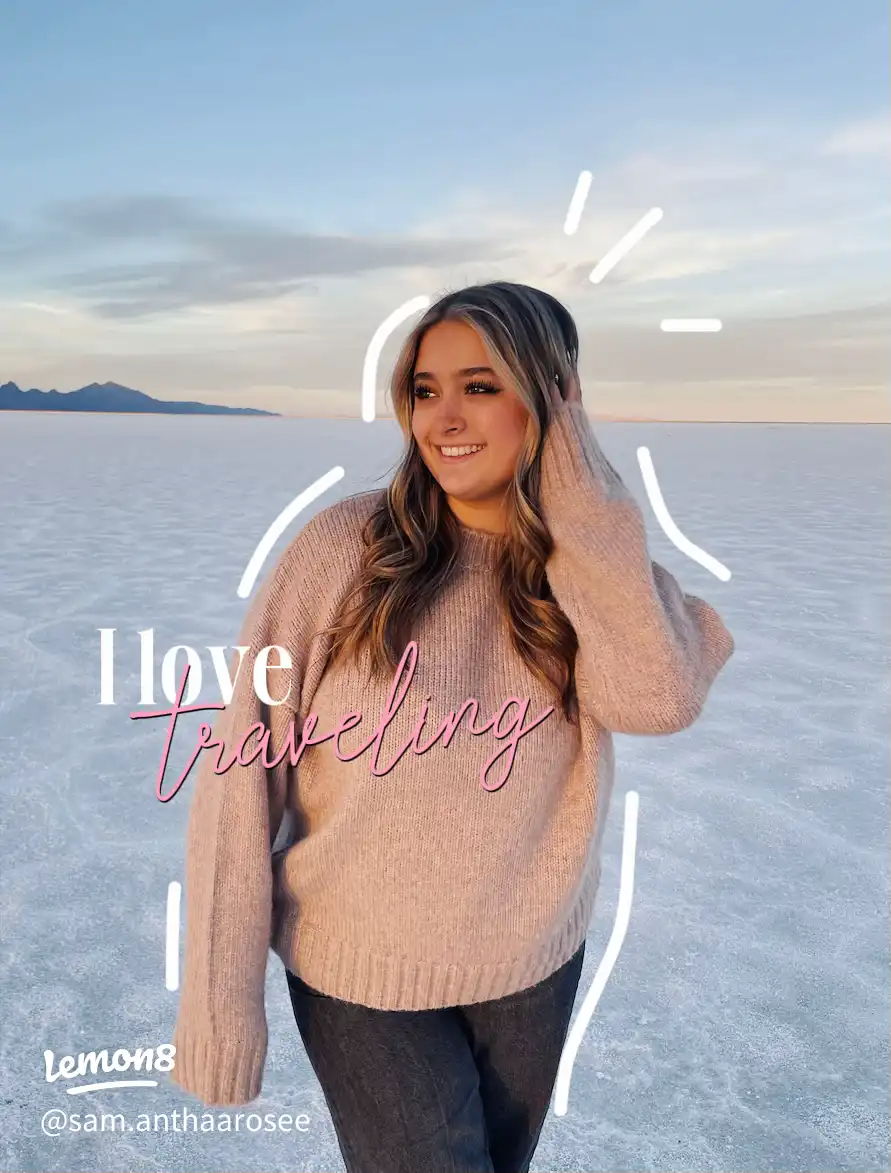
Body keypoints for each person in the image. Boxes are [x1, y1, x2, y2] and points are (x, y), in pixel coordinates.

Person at [169, 281, 734, 1172]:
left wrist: (584, 511)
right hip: (361, 973)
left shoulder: (589, 572)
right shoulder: (341, 551)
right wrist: (219, 1006)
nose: (444, 418)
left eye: (480, 385)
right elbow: (240, 777)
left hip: (531, 968)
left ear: (553, 397)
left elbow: (654, 701)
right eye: (425, 390)